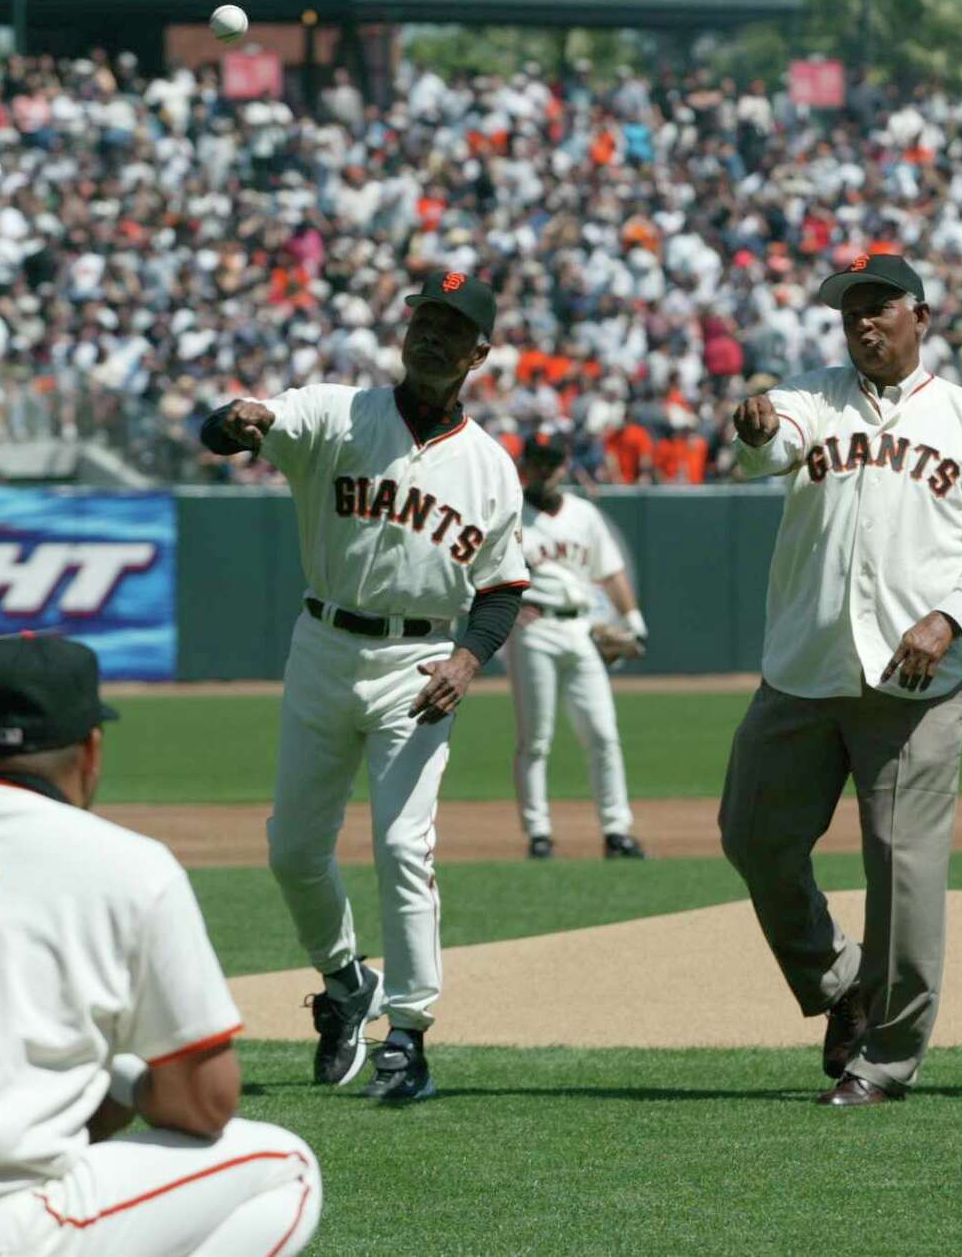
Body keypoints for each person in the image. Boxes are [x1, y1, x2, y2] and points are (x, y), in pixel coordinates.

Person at [0, 635, 321, 1256]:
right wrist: (123, 1083)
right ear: (91, 749)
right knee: (288, 1168)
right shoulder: (129, 865)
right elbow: (206, 1100)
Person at [720, 253, 962, 1107]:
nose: (862, 321)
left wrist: (950, 618)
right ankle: (841, 982)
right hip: (805, 665)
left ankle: (887, 1060)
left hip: (914, 680)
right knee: (752, 835)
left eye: (879, 306)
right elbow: (769, 447)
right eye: (849, 310)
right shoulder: (810, 397)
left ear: (921, 317)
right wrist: (755, 431)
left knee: (903, 873)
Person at [199, 272, 529, 1103]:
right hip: (322, 647)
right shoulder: (337, 412)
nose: (431, 336)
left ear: (478, 355)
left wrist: (468, 661)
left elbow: (500, 589)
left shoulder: (490, 467)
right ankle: (346, 981)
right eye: (423, 320)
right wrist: (239, 420)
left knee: (403, 845)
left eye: (451, 329)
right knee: (292, 849)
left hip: (418, 665)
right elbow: (242, 426)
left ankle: (408, 1033)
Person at [506, 432, 649, 860]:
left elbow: (611, 571)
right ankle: (539, 833)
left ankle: (617, 831)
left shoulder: (584, 514)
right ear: (525, 467)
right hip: (535, 631)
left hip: (582, 628)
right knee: (536, 738)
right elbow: (481, 571)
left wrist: (633, 623)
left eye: (553, 462)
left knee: (603, 734)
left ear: (564, 466)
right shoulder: (511, 514)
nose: (546, 471)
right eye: (539, 462)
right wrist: (508, 611)